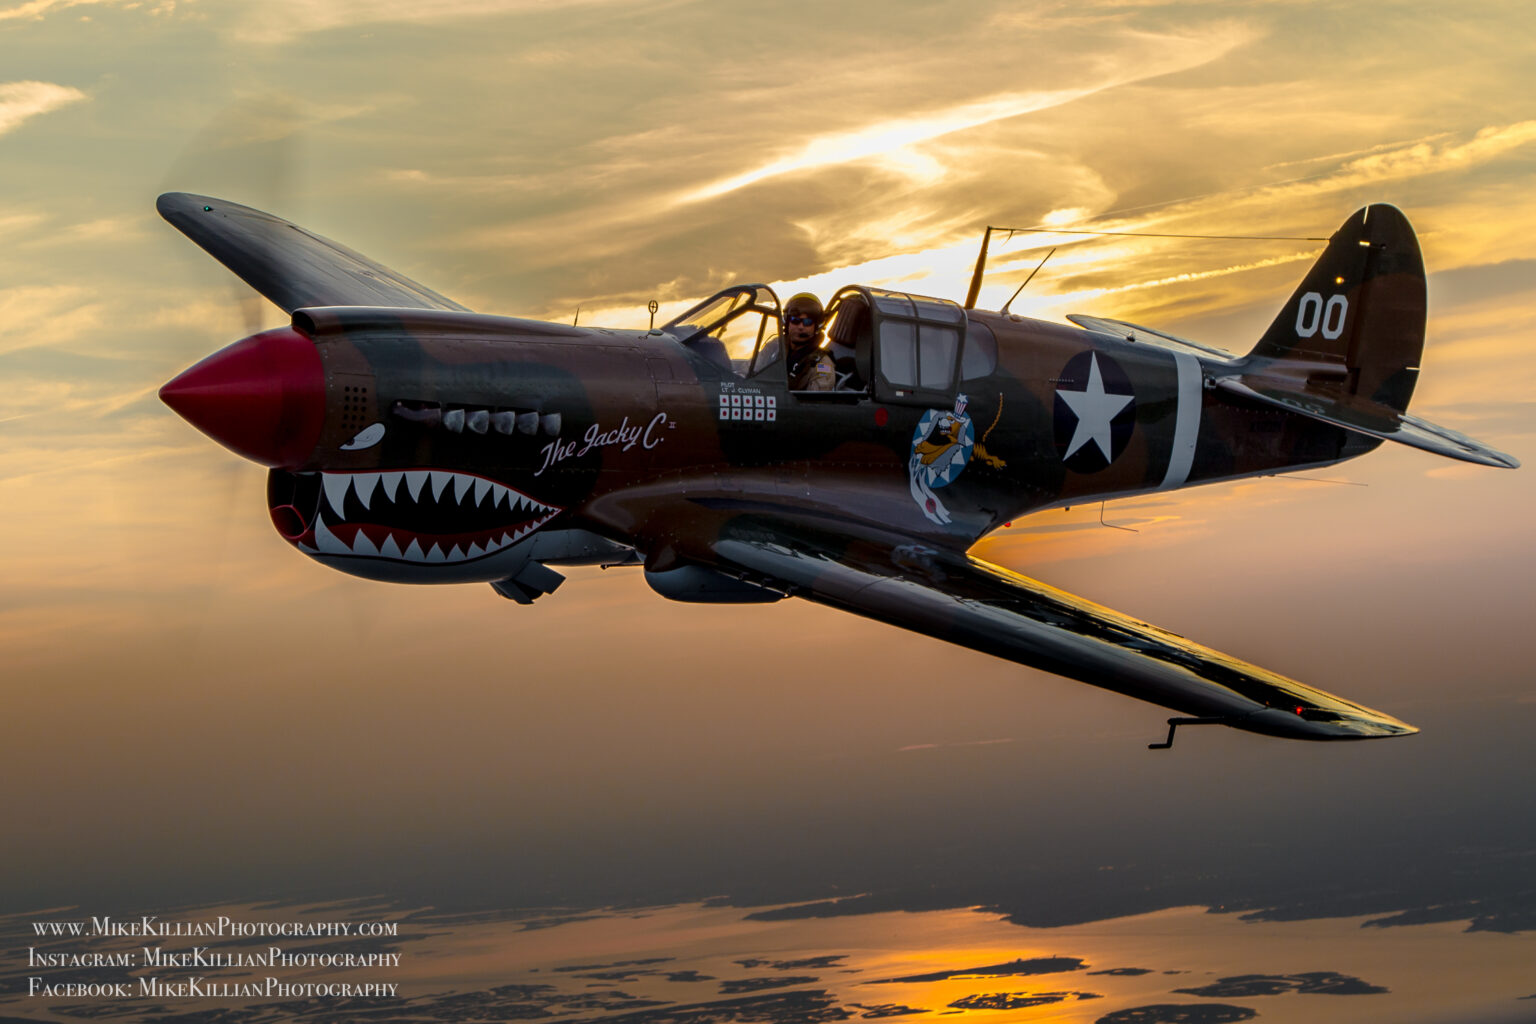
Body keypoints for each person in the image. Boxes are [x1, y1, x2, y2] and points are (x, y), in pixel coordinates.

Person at [784, 292, 835, 391]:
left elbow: (813, 403)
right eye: (795, 320)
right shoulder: (774, 348)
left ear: (816, 326)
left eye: (808, 322)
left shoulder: (823, 364)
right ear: (787, 322)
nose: (801, 327)